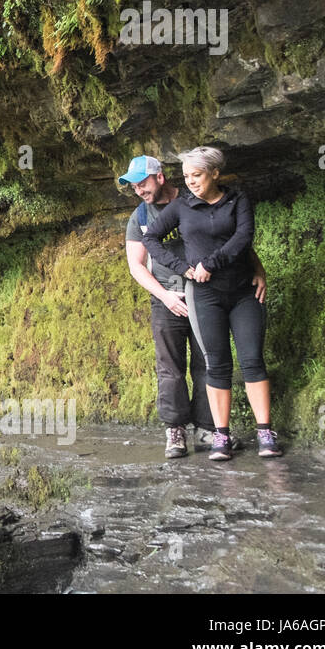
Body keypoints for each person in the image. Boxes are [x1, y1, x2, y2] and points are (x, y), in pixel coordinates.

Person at [120, 154, 266, 459]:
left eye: (142, 183)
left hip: (204, 294)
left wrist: (257, 269)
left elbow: (233, 239)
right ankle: (175, 430)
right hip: (167, 298)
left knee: (209, 362)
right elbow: (136, 266)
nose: (138, 190)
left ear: (159, 177)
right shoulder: (141, 218)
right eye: (132, 186)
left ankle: (207, 429)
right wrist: (164, 296)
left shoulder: (193, 198)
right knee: (170, 367)